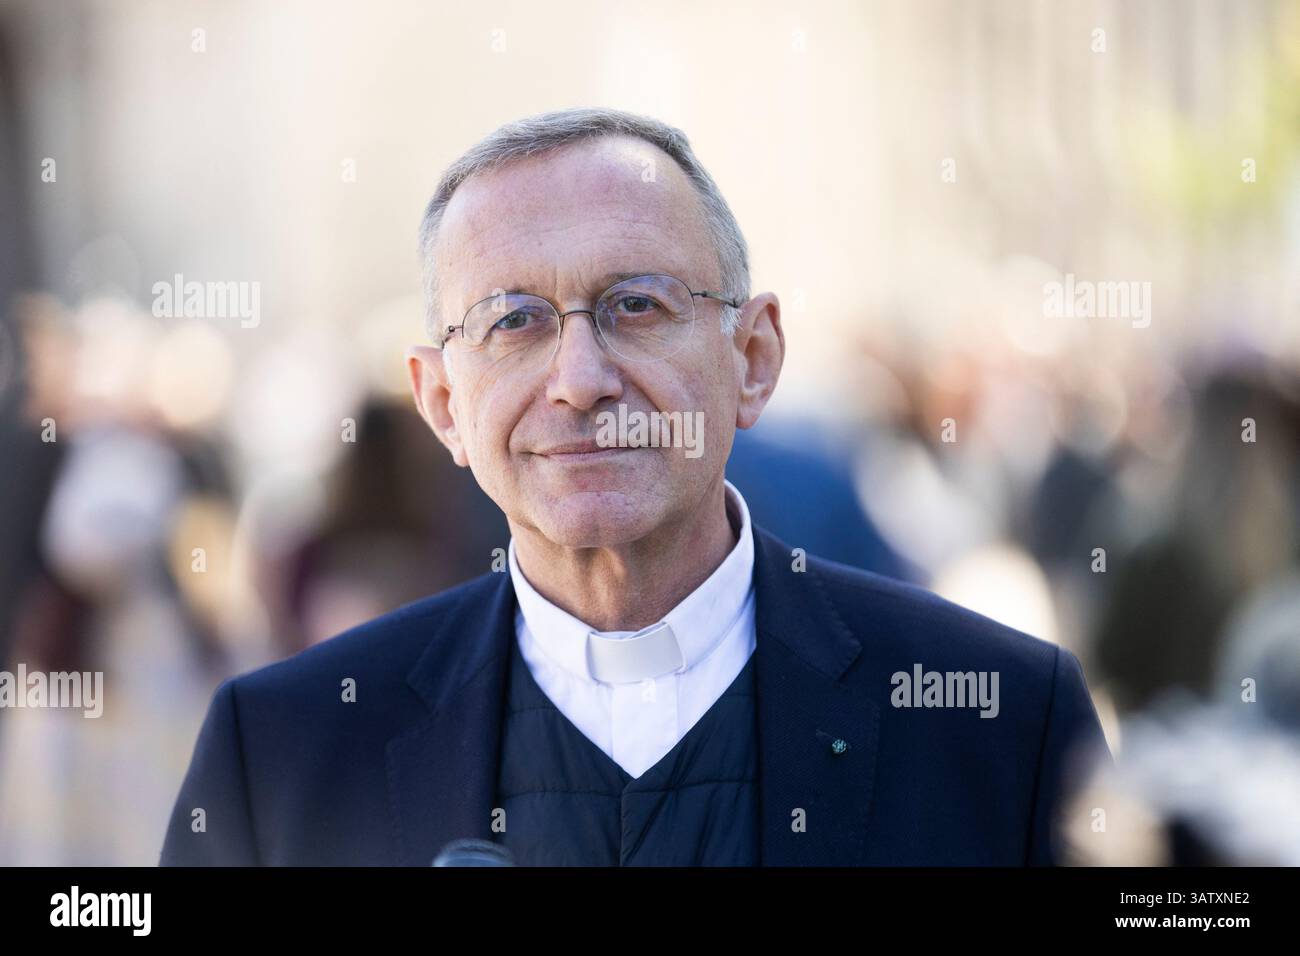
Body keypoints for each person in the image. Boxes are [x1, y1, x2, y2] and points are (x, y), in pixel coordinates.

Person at [160, 107, 1108, 866]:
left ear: (754, 357)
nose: (580, 379)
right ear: (442, 402)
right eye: (512, 321)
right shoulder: (284, 752)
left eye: (637, 305)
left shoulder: (1001, 724)